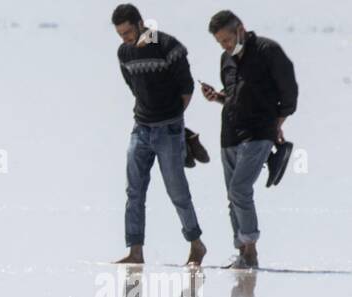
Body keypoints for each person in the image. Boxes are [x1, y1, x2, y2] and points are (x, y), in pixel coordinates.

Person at [200, 10, 298, 269]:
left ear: (240, 29)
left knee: (240, 189)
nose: (225, 45)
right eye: (220, 42)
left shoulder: (268, 50)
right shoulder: (225, 59)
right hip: (230, 133)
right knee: (232, 196)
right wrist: (217, 97)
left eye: (227, 39)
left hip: (260, 132)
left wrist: (277, 123)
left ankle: (251, 250)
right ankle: (242, 251)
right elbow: (234, 96)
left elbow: (289, 91)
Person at [111, 5, 208, 266]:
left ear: (140, 23)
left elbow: (187, 87)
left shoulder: (168, 46)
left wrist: (174, 120)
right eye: (120, 34)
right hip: (140, 128)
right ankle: (135, 251)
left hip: (169, 129)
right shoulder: (124, 53)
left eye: (128, 32)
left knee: (177, 190)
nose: (125, 38)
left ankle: (196, 244)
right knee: (134, 191)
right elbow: (134, 86)